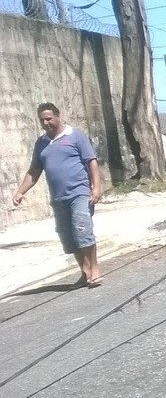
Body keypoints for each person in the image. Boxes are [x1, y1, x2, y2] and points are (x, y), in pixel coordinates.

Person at [11, 103, 104, 288]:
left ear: (57, 116)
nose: (46, 123)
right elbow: (34, 171)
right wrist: (21, 191)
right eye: (42, 120)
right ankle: (84, 273)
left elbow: (91, 162)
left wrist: (96, 187)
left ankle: (95, 269)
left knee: (83, 230)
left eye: (49, 119)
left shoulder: (75, 136)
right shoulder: (41, 143)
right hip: (58, 197)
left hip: (79, 193)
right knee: (68, 236)